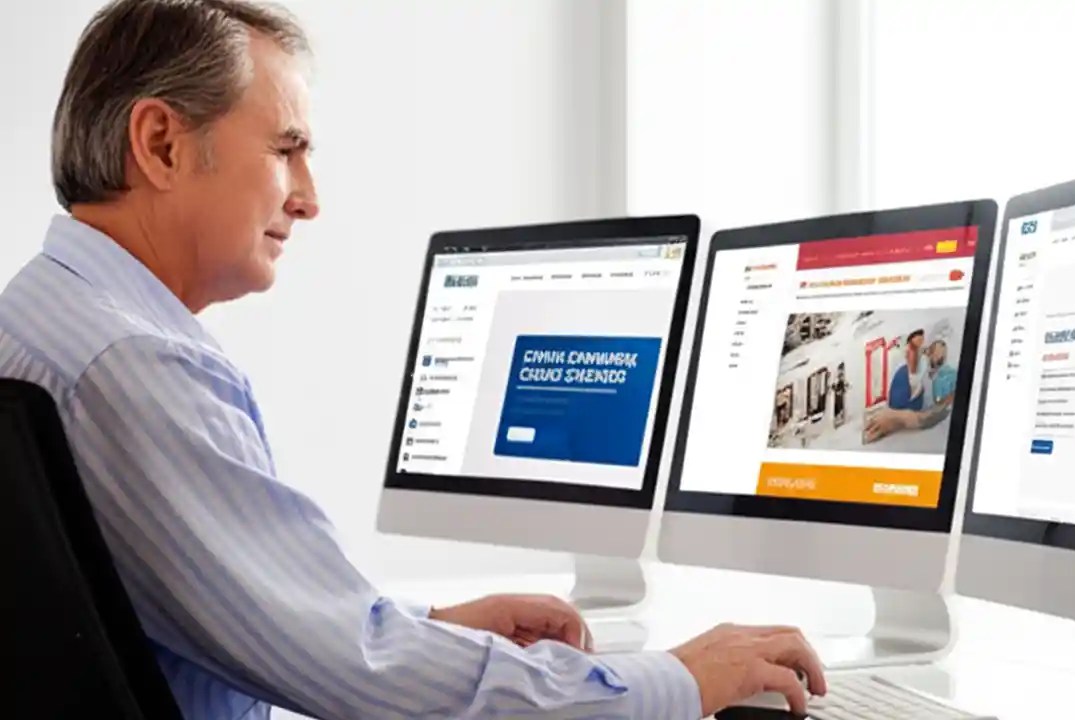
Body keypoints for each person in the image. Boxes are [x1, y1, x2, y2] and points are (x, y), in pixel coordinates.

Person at [0, 2, 825, 719]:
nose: (309, 196)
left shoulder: (46, 315)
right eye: (286, 148)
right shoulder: (132, 364)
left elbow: (266, 623)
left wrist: (424, 626)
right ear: (161, 144)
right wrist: (674, 682)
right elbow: (361, 684)